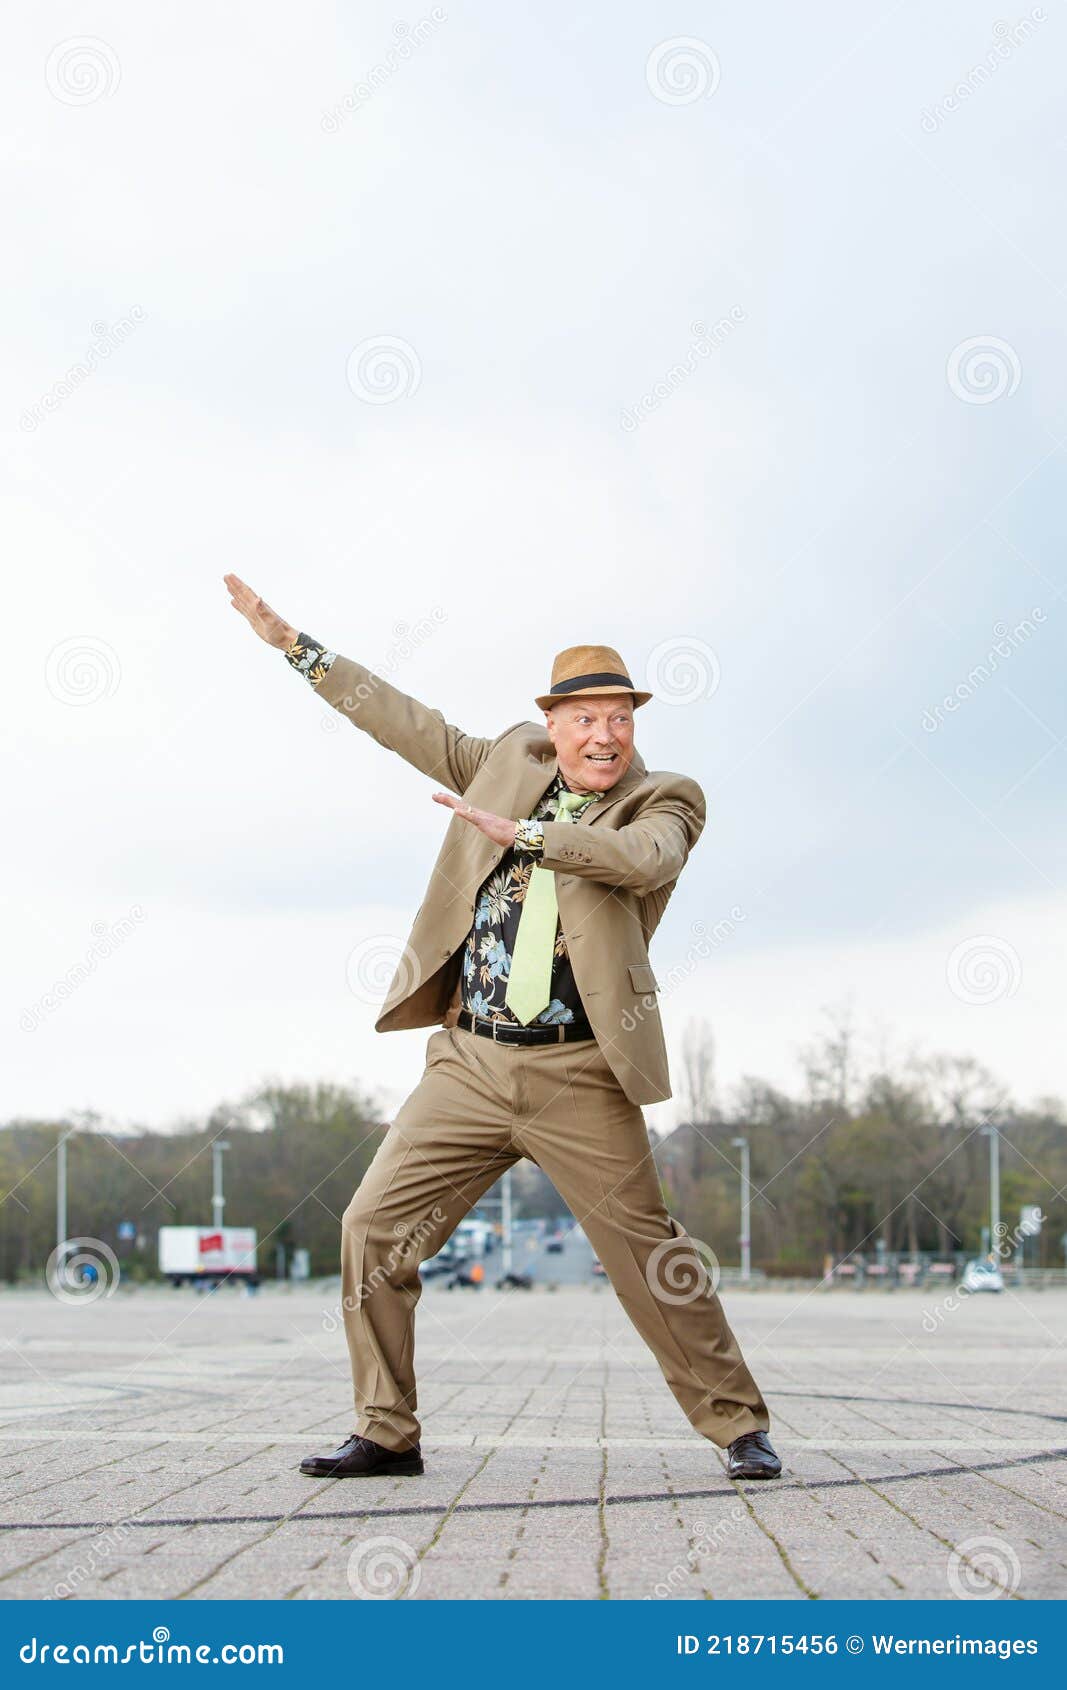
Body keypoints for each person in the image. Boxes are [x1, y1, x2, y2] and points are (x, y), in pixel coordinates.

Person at [224, 573, 781, 1483]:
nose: (604, 736)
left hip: (580, 1073)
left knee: (651, 1259)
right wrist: (297, 648)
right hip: (471, 1060)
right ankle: (386, 1431)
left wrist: (526, 837)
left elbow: (643, 864)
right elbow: (400, 719)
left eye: (621, 720)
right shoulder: (505, 762)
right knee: (371, 1230)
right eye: (586, 719)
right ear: (552, 725)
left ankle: (737, 1427)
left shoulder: (665, 799)